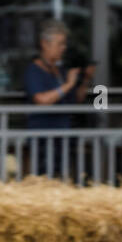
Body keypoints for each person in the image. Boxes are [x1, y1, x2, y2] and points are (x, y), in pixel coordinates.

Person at [22, 19, 95, 175]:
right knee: (43, 177)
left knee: (62, 176)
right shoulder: (33, 70)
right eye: (60, 44)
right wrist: (68, 85)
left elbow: (76, 99)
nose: (64, 48)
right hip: (43, 136)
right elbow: (41, 100)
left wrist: (86, 79)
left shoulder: (60, 70)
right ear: (45, 44)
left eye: (64, 44)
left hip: (63, 135)